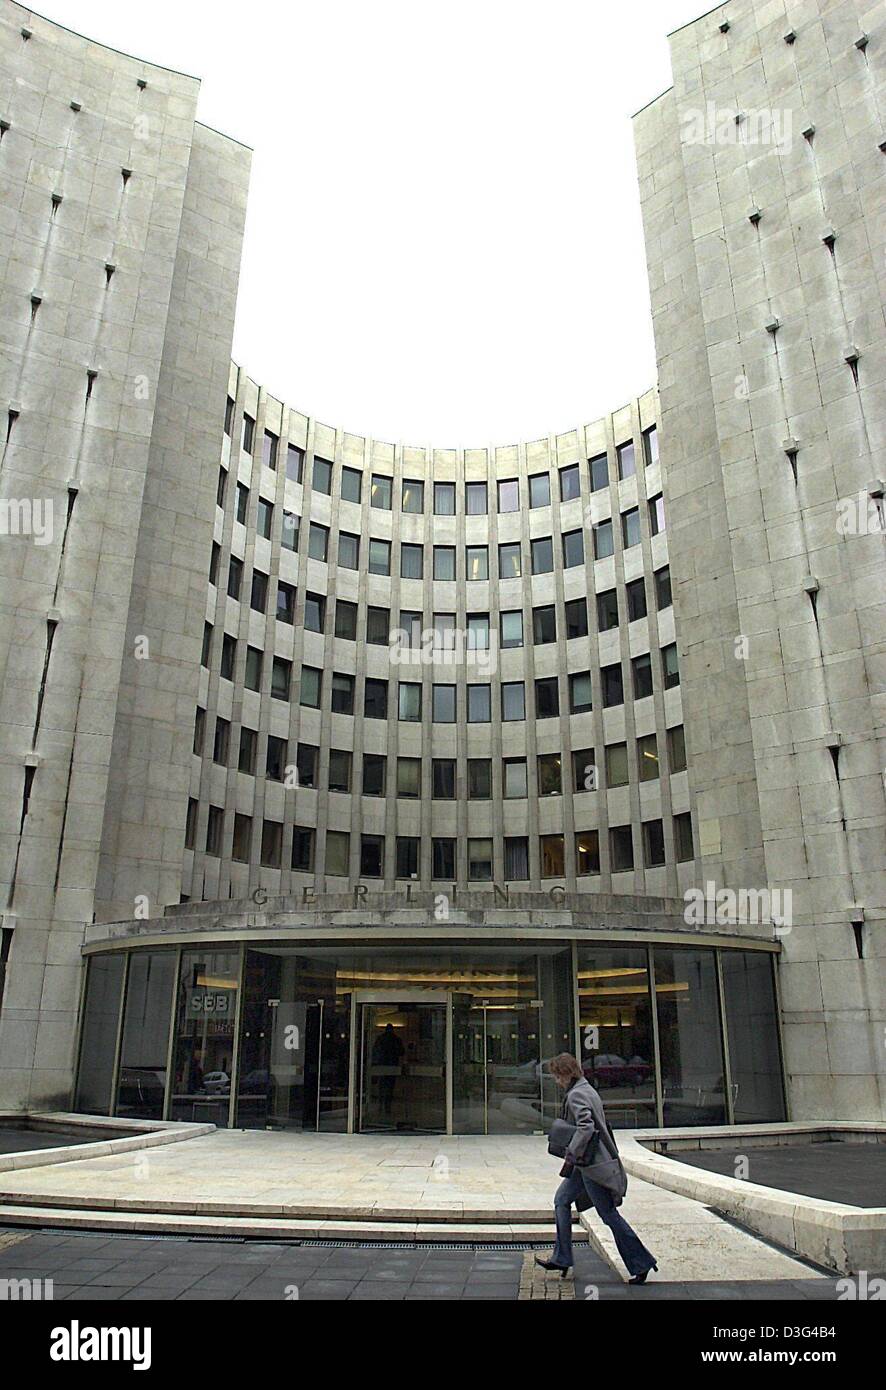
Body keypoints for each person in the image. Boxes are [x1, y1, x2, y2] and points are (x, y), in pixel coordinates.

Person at [536, 1052, 658, 1284]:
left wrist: (571, 1152)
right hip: (586, 1164)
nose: (555, 1081)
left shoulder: (577, 1095)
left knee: (608, 1214)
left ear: (565, 1074)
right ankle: (562, 1258)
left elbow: (586, 1127)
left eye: (556, 1076)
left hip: (591, 1165)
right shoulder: (587, 1089)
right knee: (561, 1200)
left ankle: (641, 1262)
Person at [372, 1022, 404, 1118]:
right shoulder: (396, 1039)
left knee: (382, 1086)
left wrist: (375, 1064)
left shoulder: (380, 1039)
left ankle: (381, 1105)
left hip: (382, 1066)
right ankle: (387, 1106)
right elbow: (401, 1052)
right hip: (392, 1066)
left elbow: (375, 1051)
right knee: (390, 1087)